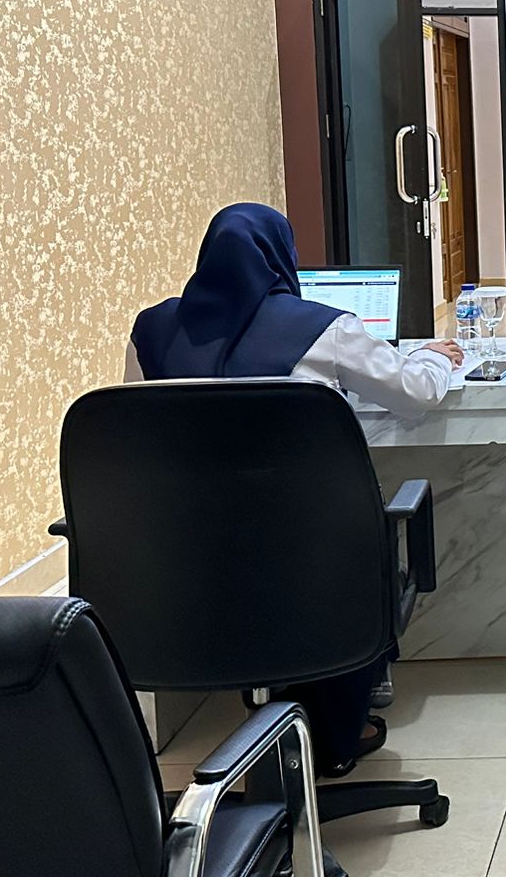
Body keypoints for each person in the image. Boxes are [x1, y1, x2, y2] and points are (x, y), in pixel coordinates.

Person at [125, 203, 464, 775]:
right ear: (281, 258)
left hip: (184, 576)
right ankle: (336, 724)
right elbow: (414, 394)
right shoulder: (322, 328)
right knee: (345, 529)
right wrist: (433, 355)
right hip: (310, 578)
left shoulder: (151, 331)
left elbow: (139, 433)